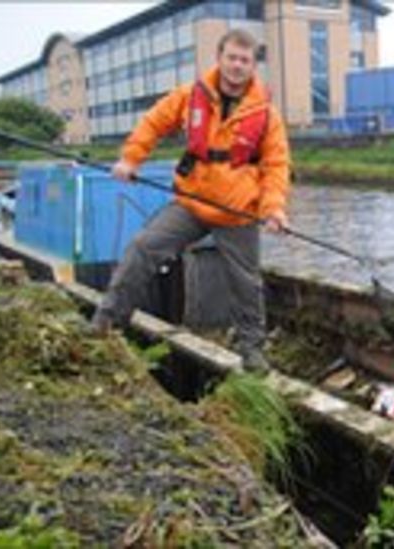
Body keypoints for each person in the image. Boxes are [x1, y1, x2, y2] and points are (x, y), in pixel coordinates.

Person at [91, 29, 290, 372]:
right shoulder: (189, 95)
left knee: (246, 284)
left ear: (253, 65)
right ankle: (106, 322)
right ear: (220, 57)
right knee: (143, 247)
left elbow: (276, 165)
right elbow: (152, 123)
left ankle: (252, 349)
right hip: (191, 202)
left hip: (237, 212)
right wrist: (131, 159)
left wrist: (273, 209)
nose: (237, 66)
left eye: (245, 60)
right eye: (232, 58)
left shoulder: (268, 115)